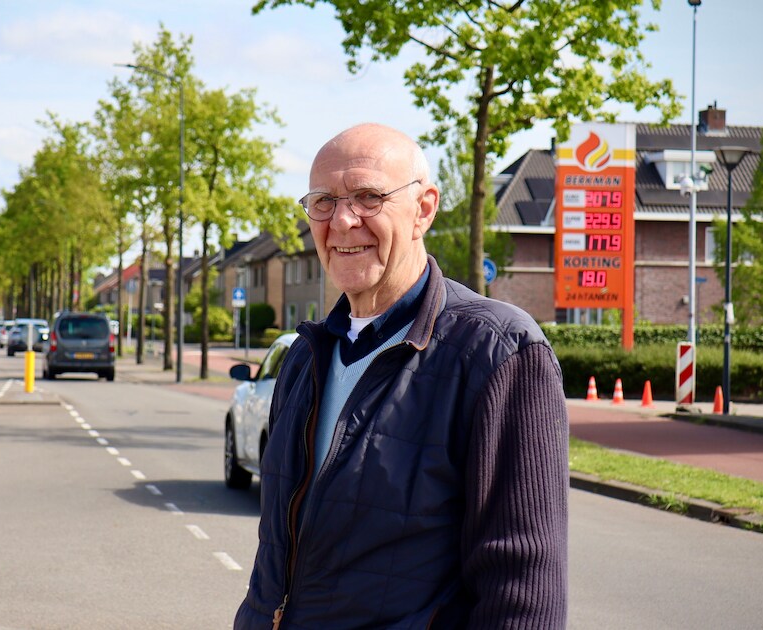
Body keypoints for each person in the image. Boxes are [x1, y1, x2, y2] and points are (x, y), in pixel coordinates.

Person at [234, 124, 569, 629]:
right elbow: (276, 562)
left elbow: (523, 594)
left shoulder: (498, 354)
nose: (342, 220)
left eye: (368, 197)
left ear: (424, 209)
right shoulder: (305, 358)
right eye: (323, 202)